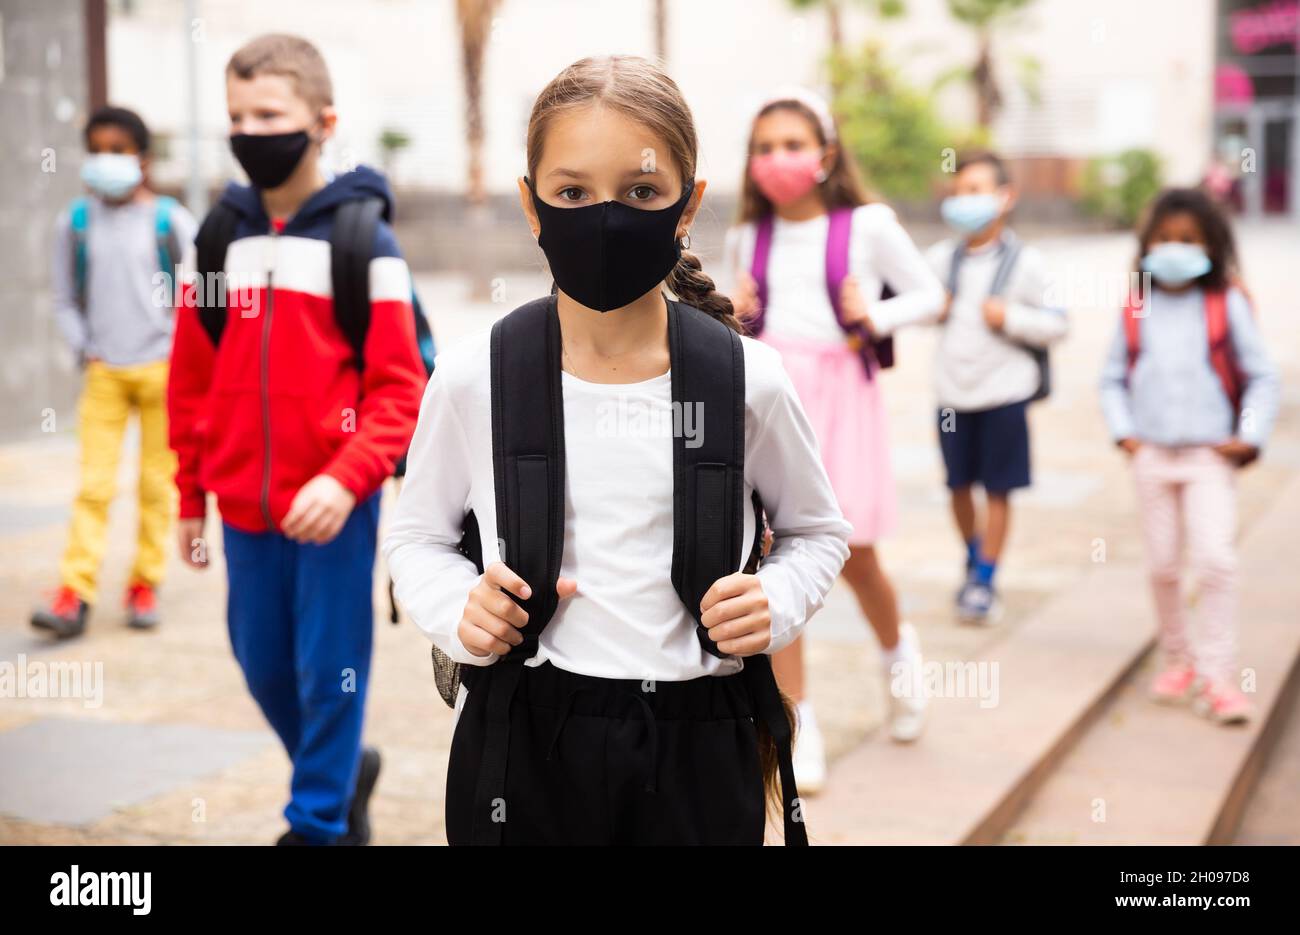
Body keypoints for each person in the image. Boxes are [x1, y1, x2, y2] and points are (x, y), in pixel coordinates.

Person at [384, 55, 851, 845]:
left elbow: (817, 530)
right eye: (572, 193)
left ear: (687, 204)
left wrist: (776, 600)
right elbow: (417, 536)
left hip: (702, 741)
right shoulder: (474, 375)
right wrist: (456, 608)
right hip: (523, 736)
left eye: (639, 192)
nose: (604, 216)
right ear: (532, 208)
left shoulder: (749, 379)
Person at [167, 34, 426, 844]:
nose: (250, 130)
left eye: (268, 113)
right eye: (237, 116)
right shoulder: (216, 240)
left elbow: (401, 387)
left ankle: (317, 823)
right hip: (243, 509)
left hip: (332, 513)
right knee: (264, 665)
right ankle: (347, 774)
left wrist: (347, 477)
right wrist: (190, 493)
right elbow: (191, 381)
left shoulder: (365, 243)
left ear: (323, 122)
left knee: (329, 674)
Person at [721, 89, 945, 780]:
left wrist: (870, 315)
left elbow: (932, 294)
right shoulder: (744, 237)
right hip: (771, 403)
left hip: (843, 400)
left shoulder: (867, 225)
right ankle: (798, 722)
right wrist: (736, 312)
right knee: (772, 558)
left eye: (792, 144)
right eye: (764, 147)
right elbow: (736, 320)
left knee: (856, 553)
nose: (777, 159)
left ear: (824, 154)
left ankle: (899, 656)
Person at [1099, 187, 1278, 725]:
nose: (1175, 248)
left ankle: (1219, 676)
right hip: (1151, 456)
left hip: (1209, 457)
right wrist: (1126, 434)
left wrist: (1249, 436)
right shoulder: (1137, 305)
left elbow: (1262, 378)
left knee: (1217, 562)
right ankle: (1179, 658)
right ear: (1147, 244)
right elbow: (1111, 378)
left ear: (1211, 246)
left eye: (1188, 240)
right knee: (1162, 566)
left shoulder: (1226, 303)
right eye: (1165, 239)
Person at [32, 105, 196, 639]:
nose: (107, 159)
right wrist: (87, 349)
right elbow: (62, 298)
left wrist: (177, 351)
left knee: (156, 486)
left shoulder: (171, 221)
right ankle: (74, 592)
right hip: (104, 374)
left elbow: (200, 294)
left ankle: (144, 582)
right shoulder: (73, 223)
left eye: (119, 150)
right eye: (97, 149)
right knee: (94, 487)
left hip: (162, 375)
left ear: (142, 159)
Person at [921, 150, 1067, 623]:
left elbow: (1058, 324)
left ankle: (984, 577)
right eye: (959, 190)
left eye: (977, 190)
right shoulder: (942, 260)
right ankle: (972, 553)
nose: (966, 199)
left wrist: (1012, 318)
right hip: (952, 395)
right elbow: (913, 304)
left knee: (999, 490)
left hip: (1005, 395)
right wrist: (933, 308)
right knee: (958, 486)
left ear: (1006, 198)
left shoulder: (1028, 263)